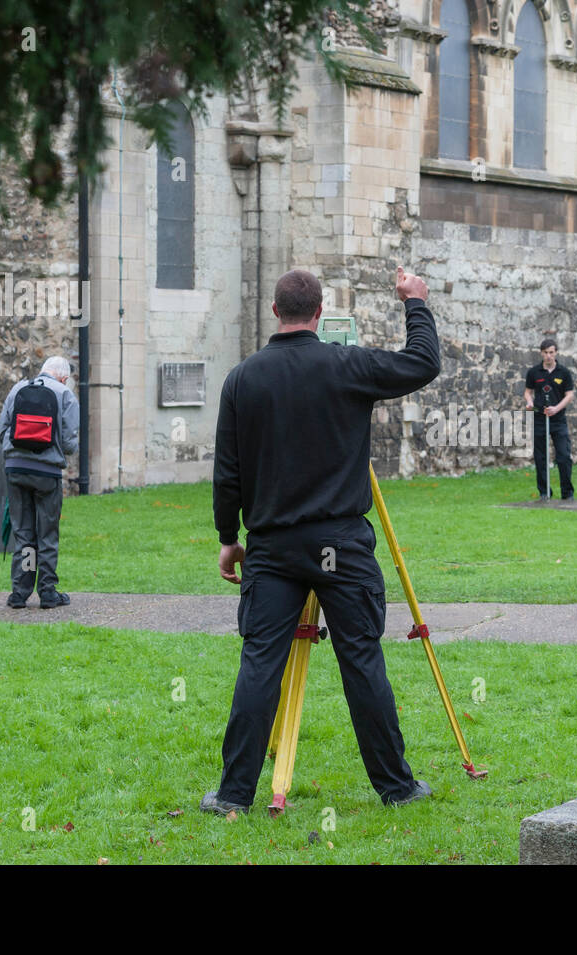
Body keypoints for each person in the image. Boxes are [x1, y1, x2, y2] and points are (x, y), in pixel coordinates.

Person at [203, 266, 440, 816]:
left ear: (274, 311)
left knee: (260, 662)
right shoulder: (346, 364)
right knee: (362, 659)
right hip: (341, 543)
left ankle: (234, 795)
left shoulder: (243, 379)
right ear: (319, 313)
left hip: (273, 546)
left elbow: (227, 472)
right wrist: (416, 303)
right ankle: (396, 787)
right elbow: (422, 363)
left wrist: (226, 536)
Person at [0, 355, 80, 609]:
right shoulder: (64, 394)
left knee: (24, 534)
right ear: (63, 377)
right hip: (46, 474)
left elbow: (1, 432)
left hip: (16, 471)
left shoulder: (18, 388)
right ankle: (47, 593)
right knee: (47, 534)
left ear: (43, 371)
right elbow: (68, 444)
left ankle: (19, 593)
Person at [523, 339, 575, 501]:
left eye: (551, 352)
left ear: (556, 353)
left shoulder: (564, 373)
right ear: (541, 353)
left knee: (564, 456)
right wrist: (530, 402)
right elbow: (528, 392)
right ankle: (544, 492)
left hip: (558, 420)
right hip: (540, 419)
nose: (548, 356)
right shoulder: (534, 372)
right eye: (545, 352)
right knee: (541, 456)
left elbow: (569, 395)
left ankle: (567, 493)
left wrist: (556, 409)